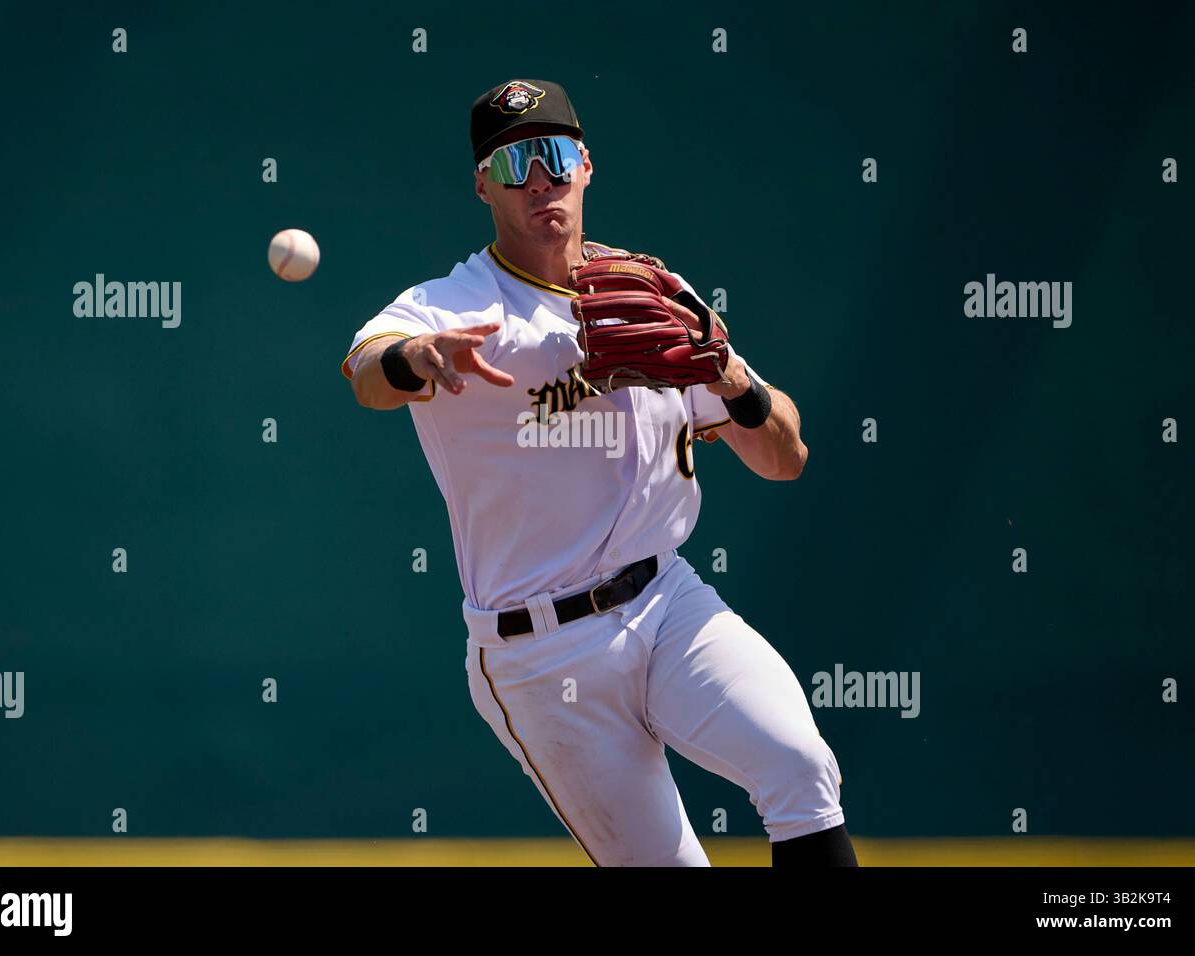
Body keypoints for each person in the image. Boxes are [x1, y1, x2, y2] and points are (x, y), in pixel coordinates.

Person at [342, 78, 856, 867]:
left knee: (800, 767)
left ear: (585, 165)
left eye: (553, 154)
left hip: (668, 602)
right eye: (513, 162)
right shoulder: (453, 305)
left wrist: (728, 379)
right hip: (539, 655)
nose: (539, 178)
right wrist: (422, 359)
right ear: (483, 184)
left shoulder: (651, 294)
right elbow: (369, 373)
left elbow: (784, 459)